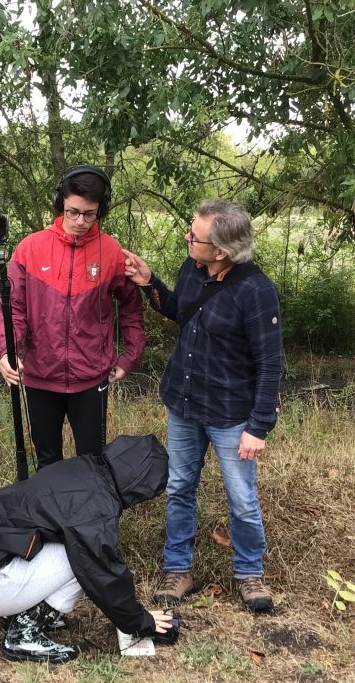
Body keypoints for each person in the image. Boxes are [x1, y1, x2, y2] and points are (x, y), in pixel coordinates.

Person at [122, 199, 284, 613]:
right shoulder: (194, 268)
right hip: (184, 403)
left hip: (231, 414)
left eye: (194, 236)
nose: (186, 238)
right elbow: (181, 311)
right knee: (179, 488)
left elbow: (270, 363)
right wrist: (148, 282)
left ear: (221, 251)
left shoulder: (256, 291)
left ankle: (249, 574)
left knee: (242, 497)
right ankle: (178, 570)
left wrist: (258, 427)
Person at [0, 434, 177, 663]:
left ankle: (24, 613)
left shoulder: (83, 468)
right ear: (141, 486)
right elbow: (103, 574)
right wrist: (141, 622)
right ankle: (23, 635)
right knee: (82, 560)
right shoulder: (96, 506)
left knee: (77, 550)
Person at [0, 166, 144, 468]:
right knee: (47, 461)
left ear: (100, 210)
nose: (80, 221)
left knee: (92, 463)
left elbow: (131, 307)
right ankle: (50, 515)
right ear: (59, 203)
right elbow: (13, 308)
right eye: (73, 212)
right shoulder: (29, 248)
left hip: (91, 380)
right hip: (40, 377)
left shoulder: (112, 252)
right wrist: (7, 351)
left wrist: (130, 356)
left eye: (89, 214)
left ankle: (91, 516)